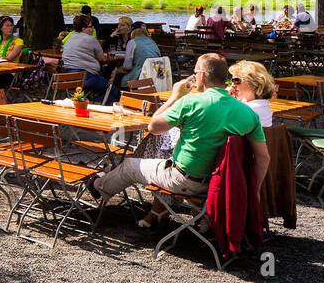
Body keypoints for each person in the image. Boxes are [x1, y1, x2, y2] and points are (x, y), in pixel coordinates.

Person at [90, 53, 269, 210]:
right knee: (162, 156)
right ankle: (160, 211)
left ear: (202, 75)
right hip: (221, 182)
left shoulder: (191, 102)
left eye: (195, 72)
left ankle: (98, 187)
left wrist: (175, 96)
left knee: (130, 164)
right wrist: (255, 191)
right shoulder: (248, 113)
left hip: (185, 180)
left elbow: (153, 127)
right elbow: (263, 158)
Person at [60, 13, 116, 101]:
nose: (93, 28)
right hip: (86, 77)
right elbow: (101, 58)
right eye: (90, 26)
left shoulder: (71, 37)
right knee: (113, 91)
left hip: (69, 75)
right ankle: (92, 103)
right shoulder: (90, 39)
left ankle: (88, 101)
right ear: (83, 29)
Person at [229, 60, 277, 128]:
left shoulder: (248, 109)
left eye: (236, 80)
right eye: (231, 81)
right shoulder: (264, 105)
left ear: (253, 84)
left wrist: (224, 98)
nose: (232, 85)